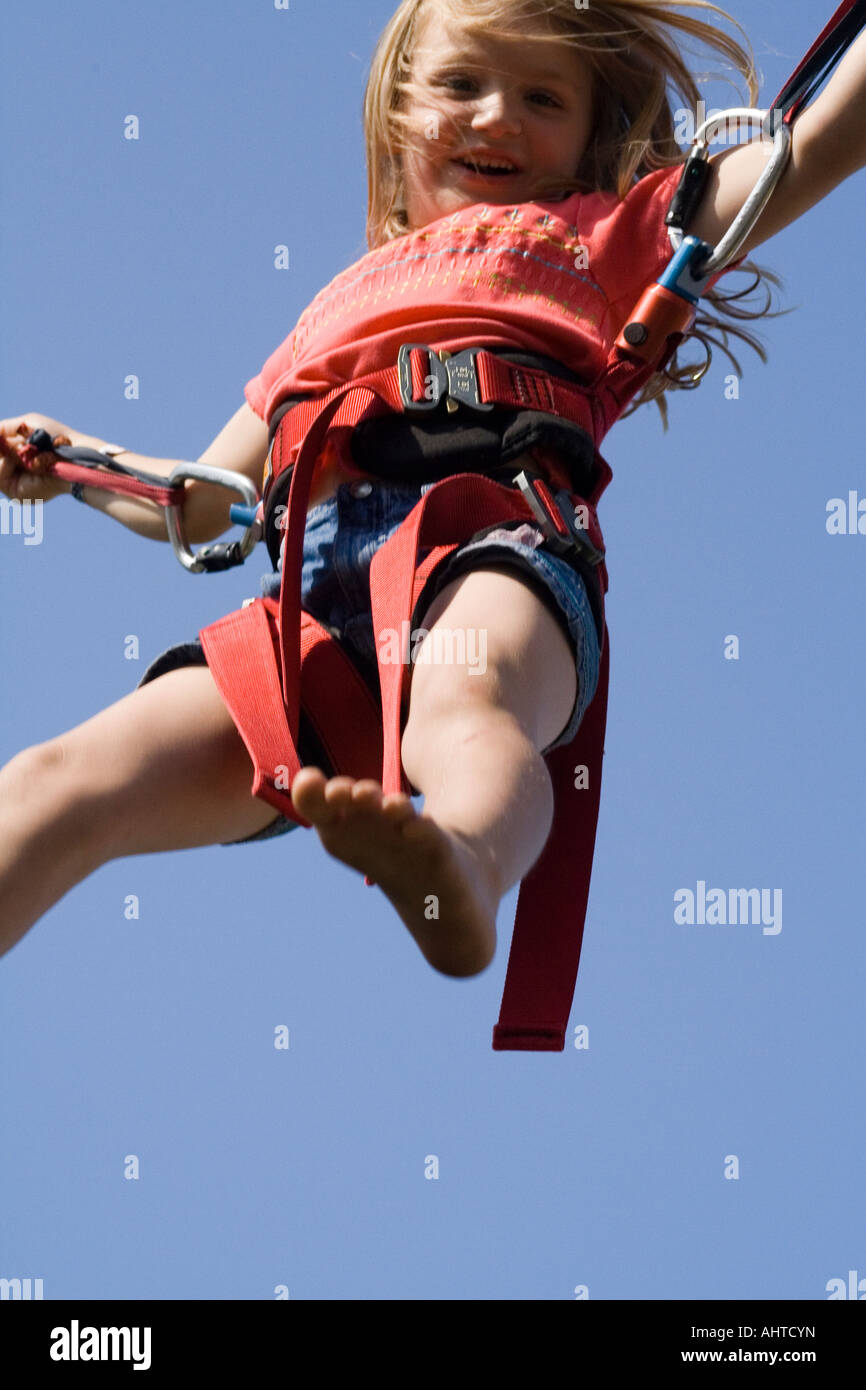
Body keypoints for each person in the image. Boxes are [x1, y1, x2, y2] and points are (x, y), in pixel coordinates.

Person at [1, 0, 863, 982]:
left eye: (540, 96)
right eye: (460, 85)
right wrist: (76, 462)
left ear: (590, 138)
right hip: (309, 614)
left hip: (491, 534)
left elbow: (816, 147)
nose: (495, 115)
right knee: (52, 782)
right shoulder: (332, 307)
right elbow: (204, 501)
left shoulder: (602, 235)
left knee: (463, 705)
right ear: (396, 116)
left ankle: (459, 865)